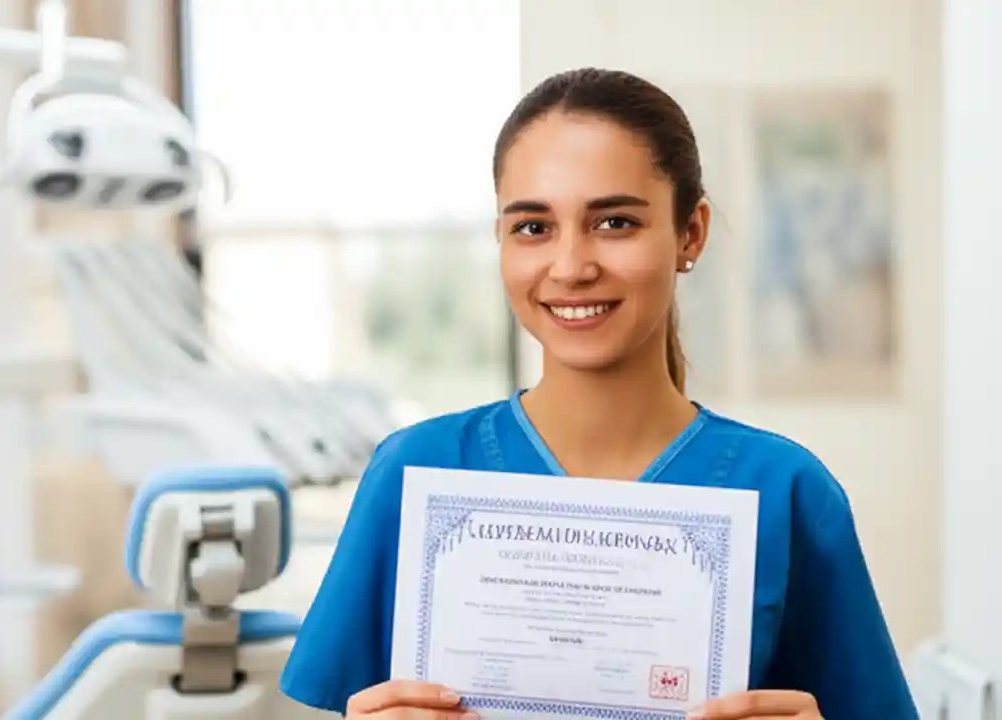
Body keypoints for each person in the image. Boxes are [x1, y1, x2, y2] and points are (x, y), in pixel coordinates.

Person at [278, 67, 918, 720]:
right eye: (533, 227)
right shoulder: (414, 472)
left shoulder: (787, 491)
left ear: (689, 234)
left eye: (614, 222)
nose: (571, 267)